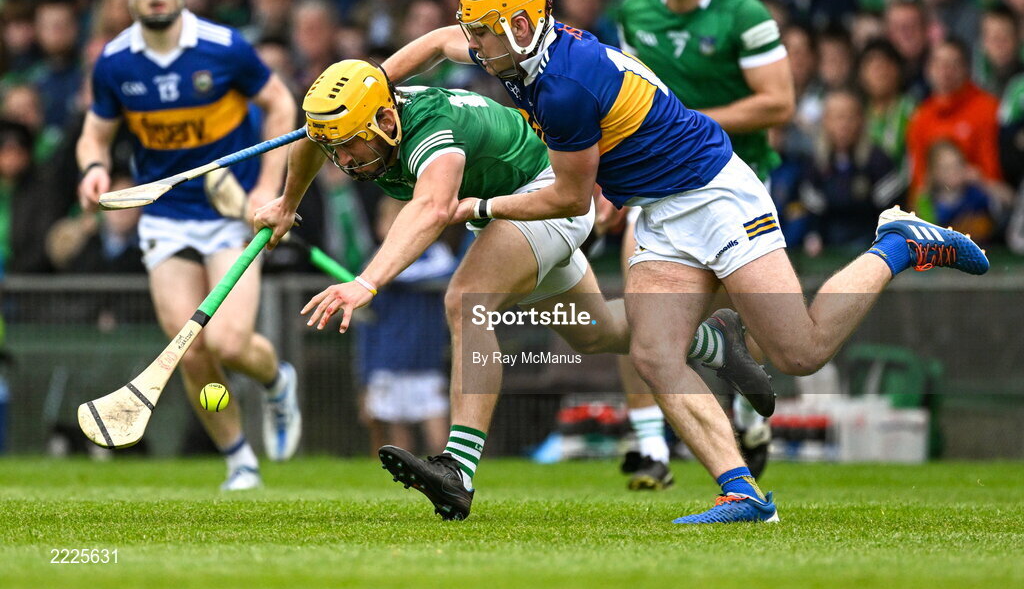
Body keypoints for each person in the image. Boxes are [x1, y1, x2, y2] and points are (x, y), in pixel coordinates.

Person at [379, 0, 990, 523]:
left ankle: (898, 244)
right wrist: (374, 87)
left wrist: (480, 207)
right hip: (659, 211)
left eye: (481, 33)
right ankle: (742, 491)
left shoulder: (563, 86)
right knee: (652, 352)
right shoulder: (514, 49)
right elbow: (437, 43)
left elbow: (569, 198)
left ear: (517, 24)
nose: (473, 45)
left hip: (714, 194)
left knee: (800, 352)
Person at [253, 60, 772, 521]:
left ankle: (459, 470)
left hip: (543, 200)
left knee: (466, 301)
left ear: (386, 122)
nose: (344, 160)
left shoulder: (434, 132)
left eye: (351, 145)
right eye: (336, 147)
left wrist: (367, 282)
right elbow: (308, 145)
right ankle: (711, 340)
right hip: (510, 212)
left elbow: (433, 209)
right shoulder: (363, 118)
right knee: (599, 334)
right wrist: (284, 203)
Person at [75, 0, 302, 490]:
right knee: (190, 347)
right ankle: (239, 459)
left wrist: (268, 189)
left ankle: (277, 381)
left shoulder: (223, 48)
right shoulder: (114, 62)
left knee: (227, 342)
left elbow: (280, 103)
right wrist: (93, 169)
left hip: (232, 212)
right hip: (167, 216)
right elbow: (95, 133)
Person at [613, 0, 795, 487]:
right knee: (638, 311)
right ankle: (651, 451)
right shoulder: (634, 11)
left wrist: (689, 121)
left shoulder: (744, 12)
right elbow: (628, 97)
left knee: (762, 323)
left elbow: (779, 101)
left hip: (737, 178)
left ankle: (747, 414)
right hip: (658, 183)